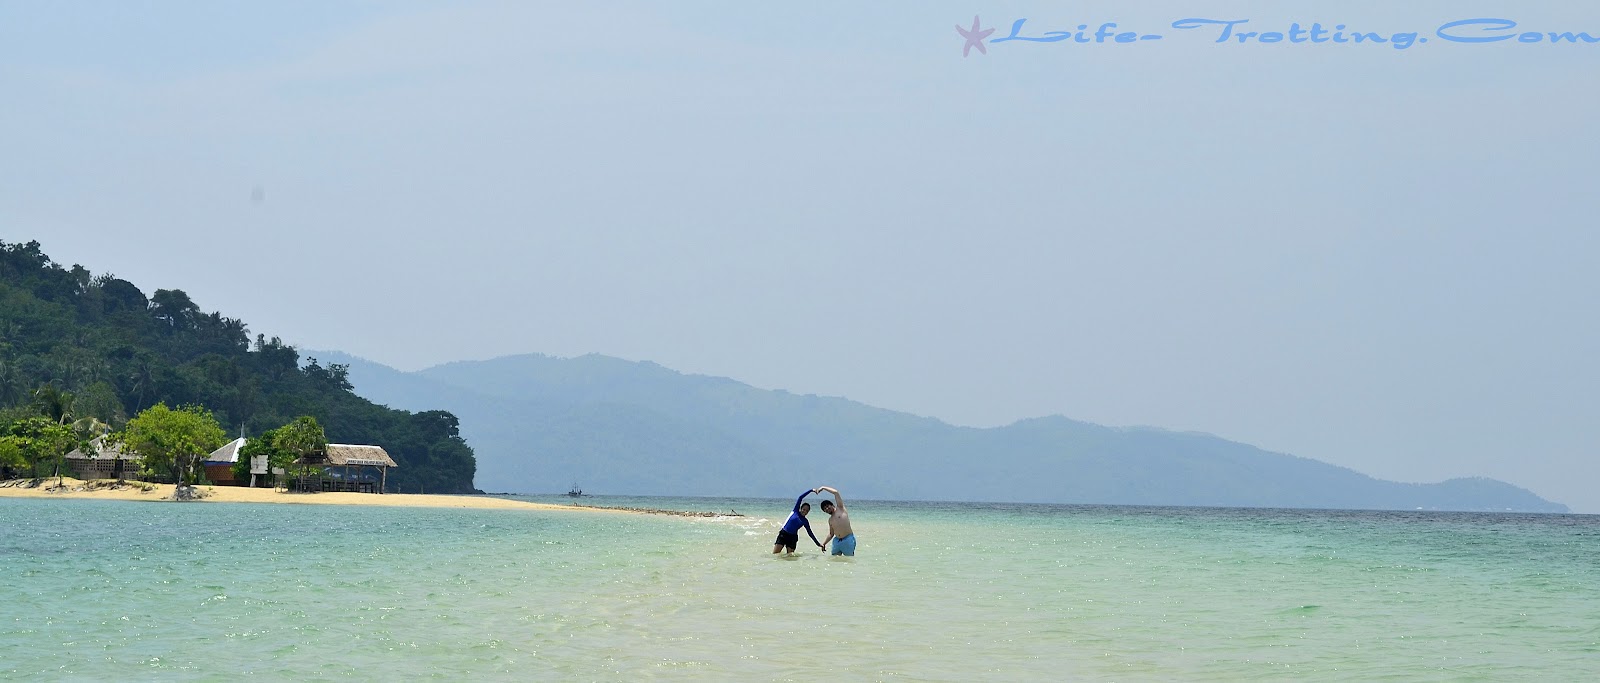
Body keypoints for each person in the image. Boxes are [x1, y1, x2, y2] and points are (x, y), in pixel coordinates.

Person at [772, 489, 824, 555]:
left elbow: (810, 533)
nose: (805, 511)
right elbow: (800, 497)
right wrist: (811, 490)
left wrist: (818, 544)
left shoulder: (805, 521)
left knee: (790, 557)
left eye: (807, 511)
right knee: (775, 555)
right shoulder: (795, 511)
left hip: (793, 538)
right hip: (784, 534)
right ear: (800, 508)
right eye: (804, 509)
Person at [814, 486, 856, 556]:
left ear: (832, 505)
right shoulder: (830, 520)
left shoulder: (840, 509)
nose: (827, 509)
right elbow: (831, 534)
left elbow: (836, 492)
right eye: (825, 509)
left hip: (848, 539)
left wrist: (823, 488)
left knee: (849, 559)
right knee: (834, 560)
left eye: (827, 506)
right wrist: (824, 543)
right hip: (837, 541)